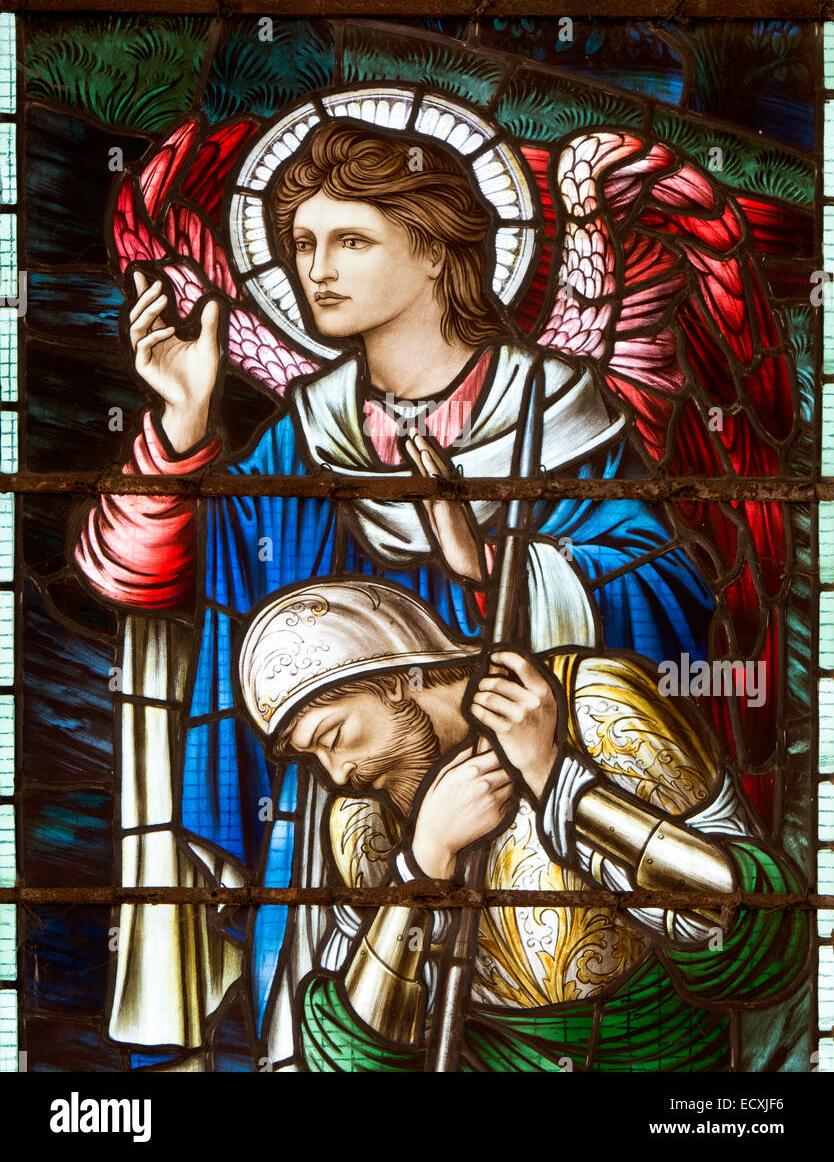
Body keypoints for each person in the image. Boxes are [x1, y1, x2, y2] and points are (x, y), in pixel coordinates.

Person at [72, 120, 715, 1063]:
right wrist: (182, 425)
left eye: (350, 240)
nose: (313, 270)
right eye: (299, 245)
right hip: (339, 834)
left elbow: (671, 599)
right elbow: (180, 599)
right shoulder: (304, 441)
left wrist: (495, 568)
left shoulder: (555, 410)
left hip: (544, 812)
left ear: (436, 249)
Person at [237, 578, 806, 1073]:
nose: (338, 774)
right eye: (311, 758)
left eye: (334, 736)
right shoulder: (362, 820)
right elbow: (355, 1057)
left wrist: (557, 779)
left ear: (395, 680)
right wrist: (424, 862)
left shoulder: (596, 706)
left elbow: (755, 934)